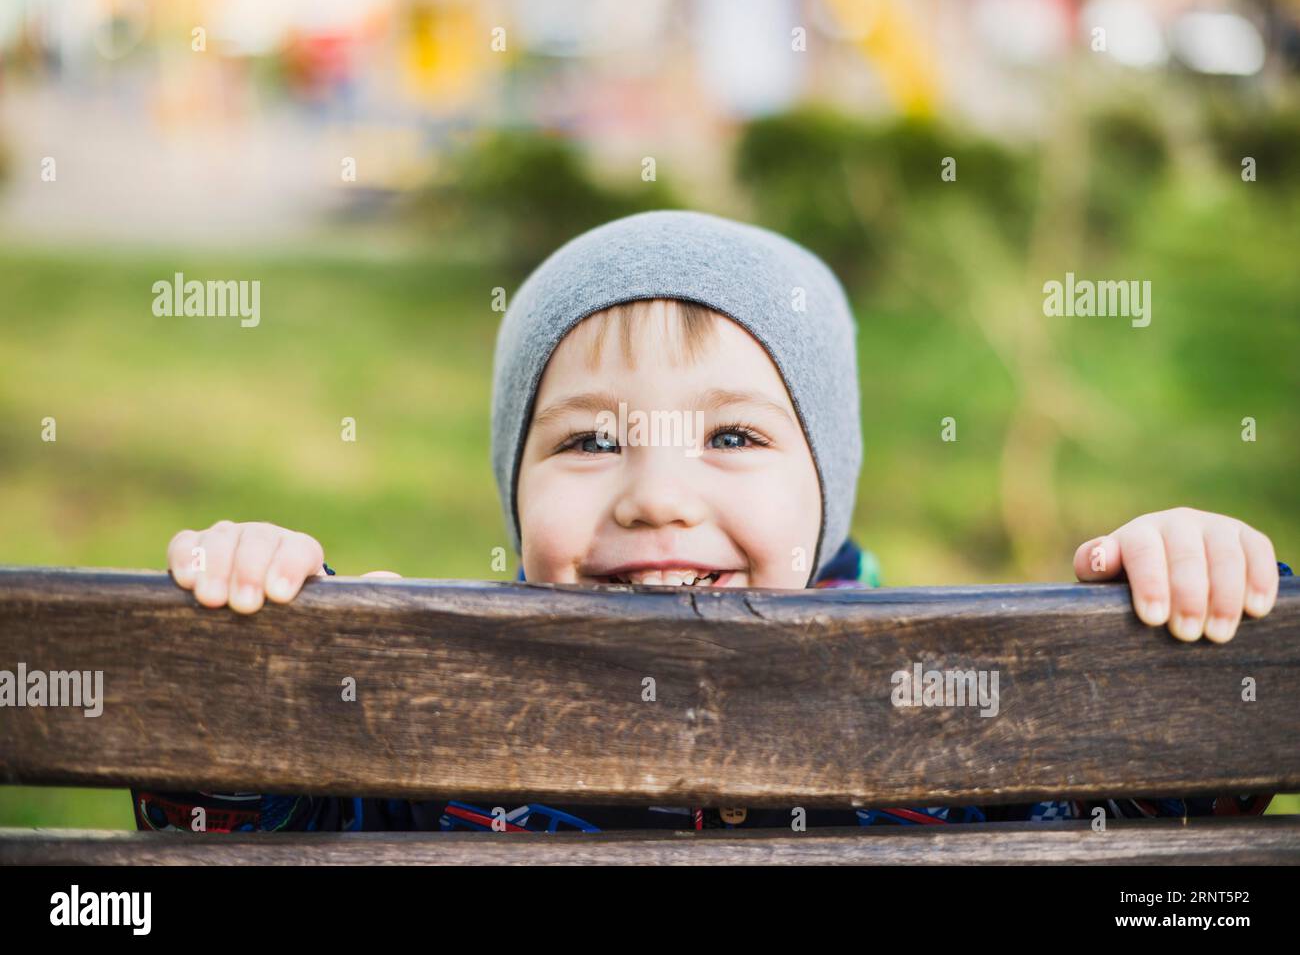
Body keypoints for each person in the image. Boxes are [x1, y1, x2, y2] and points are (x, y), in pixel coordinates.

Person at [137, 211, 1286, 833]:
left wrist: (1186, 582)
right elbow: (230, 832)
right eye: (591, 441)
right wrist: (268, 647)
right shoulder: (426, 700)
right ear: (513, 485)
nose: (656, 496)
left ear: (824, 488)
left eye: (731, 438)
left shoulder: (939, 707)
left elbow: (1145, 831)